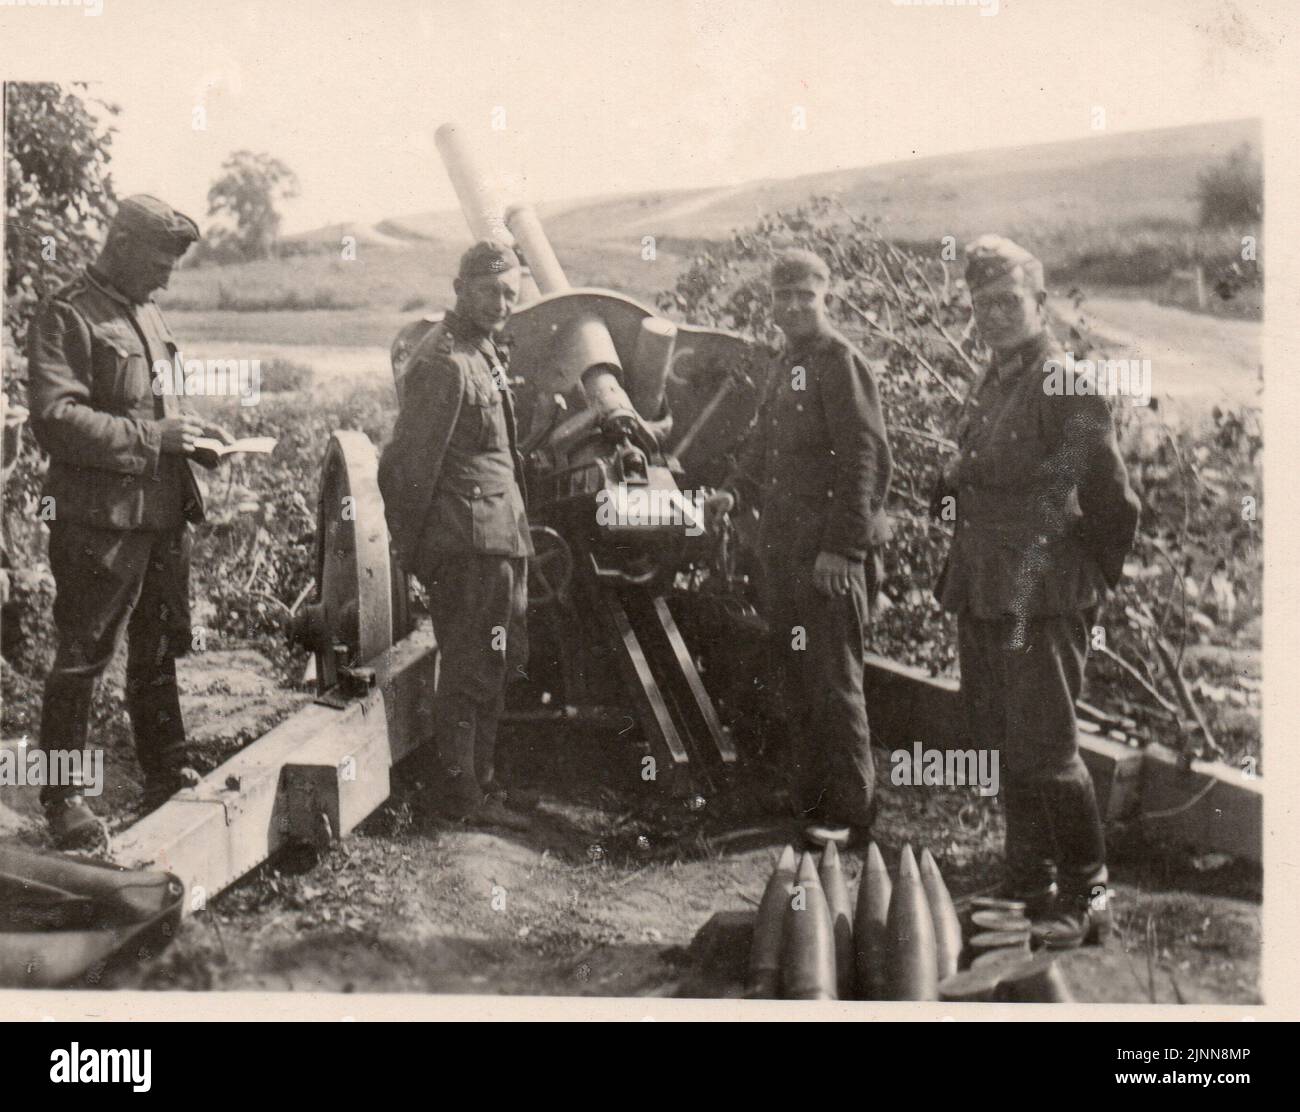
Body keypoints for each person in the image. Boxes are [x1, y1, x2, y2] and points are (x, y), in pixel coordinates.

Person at [933, 234, 1140, 948]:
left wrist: (1077, 581)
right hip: (986, 590)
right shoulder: (995, 378)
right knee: (1004, 741)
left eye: (1007, 301)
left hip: (1042, 596)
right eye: (981, 304)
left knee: (1050, 750)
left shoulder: (1062, 382)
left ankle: (1088, 895)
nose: (992, 315)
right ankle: (1030, 880)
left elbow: (1114, 504)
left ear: (1040, 303)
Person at [26, 194, 233, 848]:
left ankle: (164, 768)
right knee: (84, 657)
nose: (169, 277)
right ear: (121, 246)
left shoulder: (146, 309)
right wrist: (154, 439)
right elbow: (56, 421)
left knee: (159, 646)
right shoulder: (68, 315)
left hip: (162, 514)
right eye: (160, 261)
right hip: (101, 522)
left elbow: (159, 403)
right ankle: (63, 802)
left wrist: (196, 438)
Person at [704, 249, 893, 849]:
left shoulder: (841, 363)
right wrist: (734, 492)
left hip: (828, 561)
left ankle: (852, 814)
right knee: (795, 675)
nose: (792, 307)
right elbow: (765, 444)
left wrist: (844, 551)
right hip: (785, 556)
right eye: (782, 297)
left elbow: (865, 460)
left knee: (834, 682)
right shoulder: (789, 362)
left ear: (825, 296)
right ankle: (811, 801)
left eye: (804, 297)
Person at [378, 240, 534, 831]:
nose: (500, 303)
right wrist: (415, 549)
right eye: (491, 290)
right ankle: (457, 796)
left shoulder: (481, 352)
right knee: (471, 667)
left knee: (495, 662)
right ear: (461, 287)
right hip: (468, 545)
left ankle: (480, 781)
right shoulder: (445, 362)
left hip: (499, 538)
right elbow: (406, 468)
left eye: (510, 294)